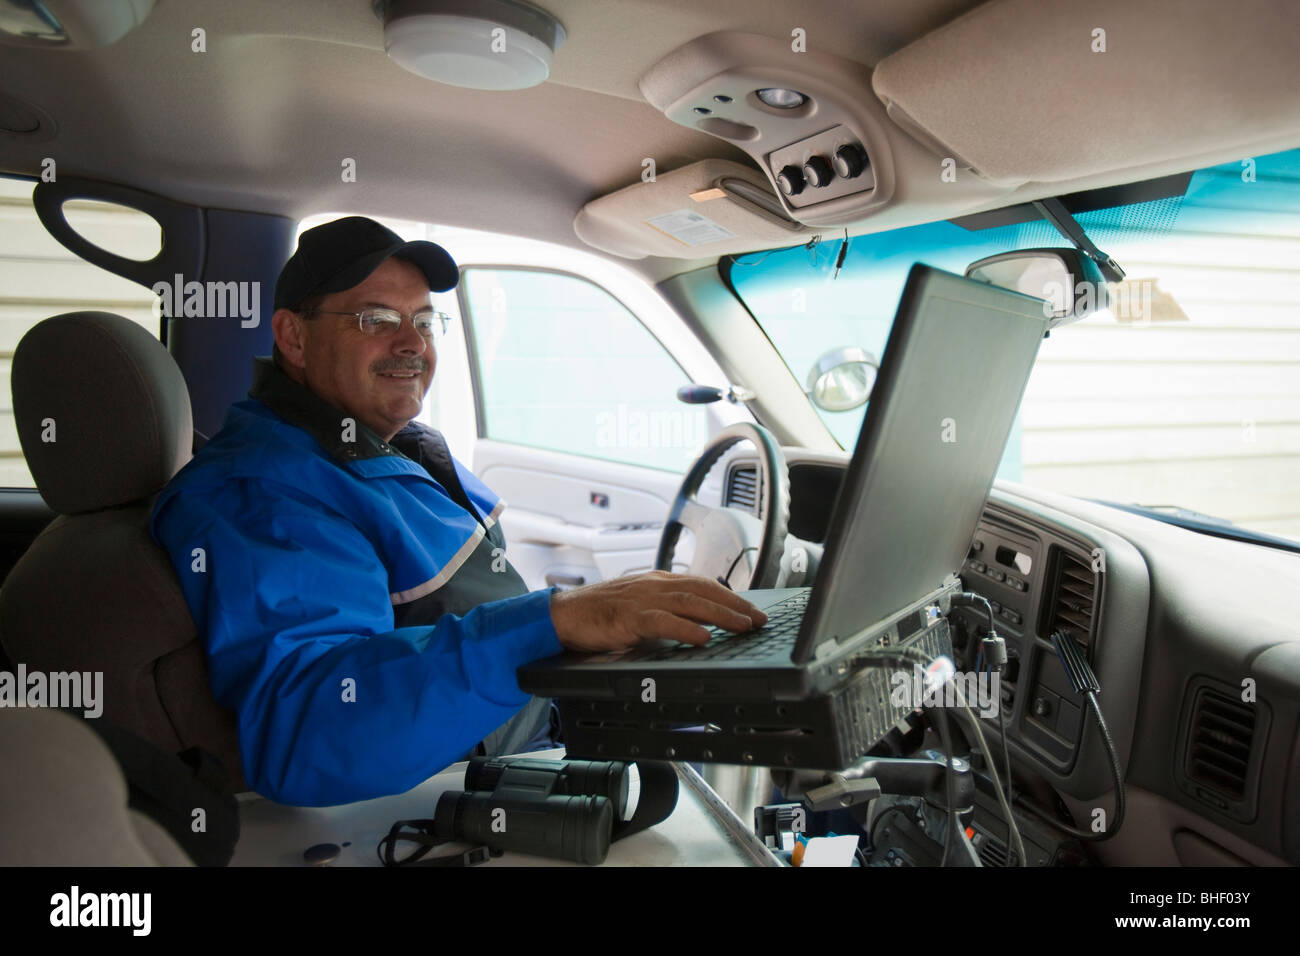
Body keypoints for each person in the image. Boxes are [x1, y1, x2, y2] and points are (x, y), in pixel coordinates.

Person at [149, 216, 766, 807]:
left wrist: (586, 630)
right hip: (454, 797)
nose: (412, 342)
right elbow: (310, 727)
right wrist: (546, 625)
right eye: (377, 318)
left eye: (424, 319)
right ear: (293, 336)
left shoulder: (372, 447)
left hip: (535, 737)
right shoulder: (263, 489)